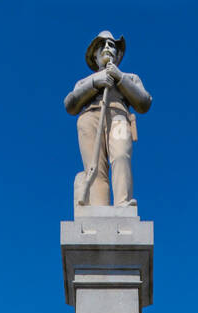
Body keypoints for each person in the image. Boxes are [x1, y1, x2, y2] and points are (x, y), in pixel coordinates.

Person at [64, 31, 152, 208]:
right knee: (94, 167)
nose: (107, 48)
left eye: (111, 45)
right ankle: (99, 208)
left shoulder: (130, 78)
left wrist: (119, 78)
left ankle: (123, 202)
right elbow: (70, 105)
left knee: (120, 155)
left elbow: (144, 103)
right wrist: (95, 83)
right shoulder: (84, 81)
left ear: (118, 55)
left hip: (118, 116)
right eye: (102, 46)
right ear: (95, 56)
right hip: (89, 118)